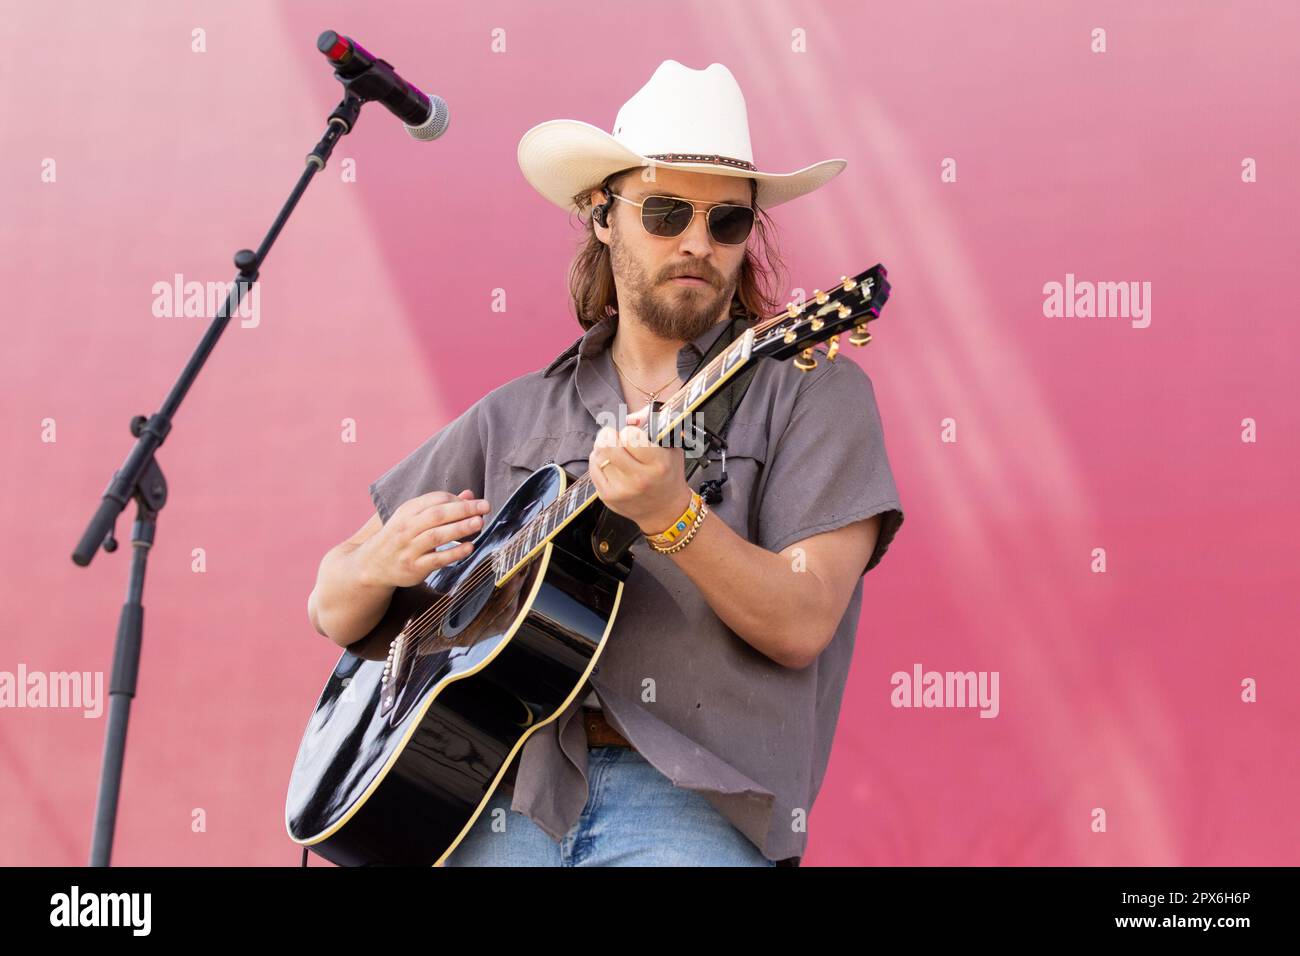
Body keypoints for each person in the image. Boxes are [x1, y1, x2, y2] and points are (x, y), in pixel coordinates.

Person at [307, 59, 905, 867]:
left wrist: (676, 518)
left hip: (691, 805)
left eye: (727, 223)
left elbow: (801, 624)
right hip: (493, 793)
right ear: (601, 215)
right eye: (665, 212)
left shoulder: (808, 390)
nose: (698, 241)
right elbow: (333, 606)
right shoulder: (516, 411)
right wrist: (375, 563)